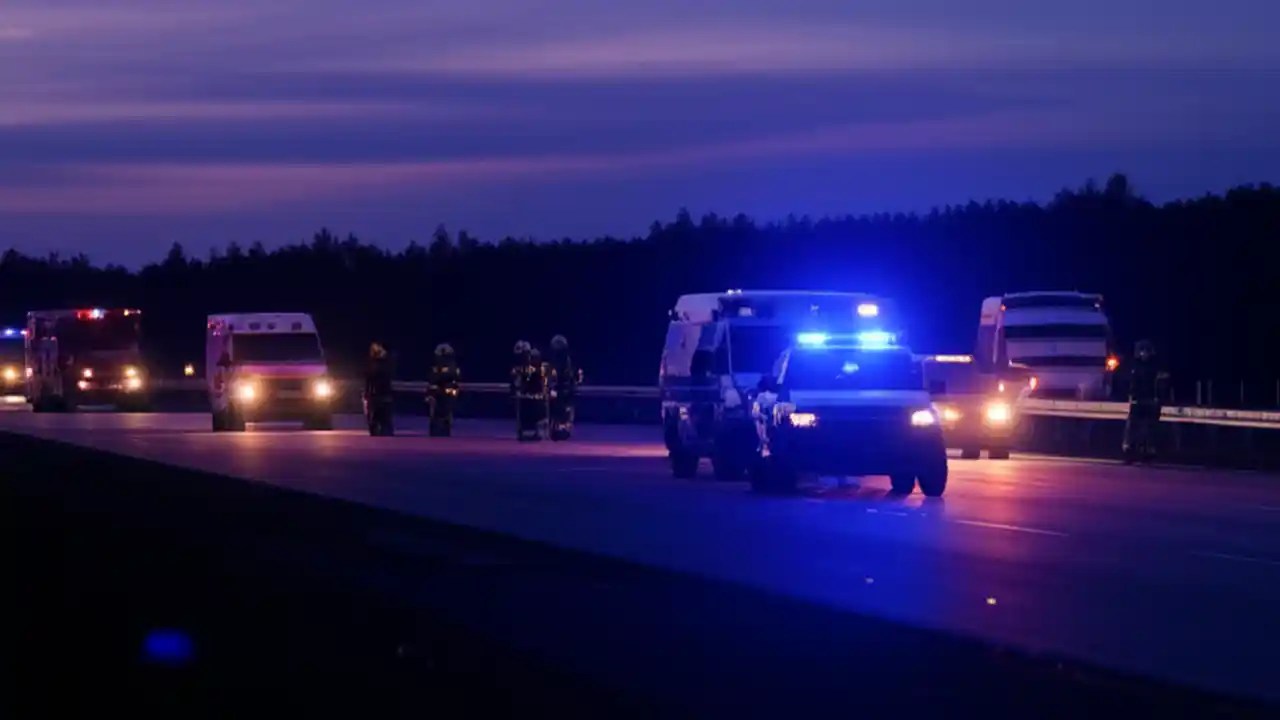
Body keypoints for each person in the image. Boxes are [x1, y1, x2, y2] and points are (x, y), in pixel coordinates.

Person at [1123, 339, 1162, 463]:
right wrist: (1131, 396)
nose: (1144, 354)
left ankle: (1147, 452)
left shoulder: (1154, 367)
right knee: (1132, 427)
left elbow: (1158, 384)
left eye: (1146, 351)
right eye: (1142, 351)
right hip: (1137, 400)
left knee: (1148, 428)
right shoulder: (1134, 366)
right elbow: (1132, 383)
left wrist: (1157, 398)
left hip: (1150, 400)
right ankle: (1130, 452)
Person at [547, 335, 581, 440]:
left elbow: (573, 378)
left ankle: (565, 425)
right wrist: (550, 387)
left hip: (567, 391)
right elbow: (550, 377)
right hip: (556, 391)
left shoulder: (569, 362)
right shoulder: (552, 363)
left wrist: (574, 382)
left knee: (567, 405)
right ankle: (554, 424)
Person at [511, 340, 547, 440]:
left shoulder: (535, 359)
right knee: (523, 408)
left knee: (536, 409)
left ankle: (537, 430)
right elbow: (519, 377)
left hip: (535, 388)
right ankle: (522, 430)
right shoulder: (520, 365)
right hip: (527, 390)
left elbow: (538, 375)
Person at [427, 343, 460, 437]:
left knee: (445, 415)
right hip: (437, 395)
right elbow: (432, 379)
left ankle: (444, 433)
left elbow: (454, 377)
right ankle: (436, 433)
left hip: (447, 395)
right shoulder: (435, 366)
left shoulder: (452, 366)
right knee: (436, 416)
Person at [364, 342, 394, 436]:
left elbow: (369, 380)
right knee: (384, 417)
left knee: (379, 416)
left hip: (377, 395)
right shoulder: (385, 364)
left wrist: (367, 393)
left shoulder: (373, 365)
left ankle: (380, 428)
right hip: (381, 395)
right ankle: (383, 428)